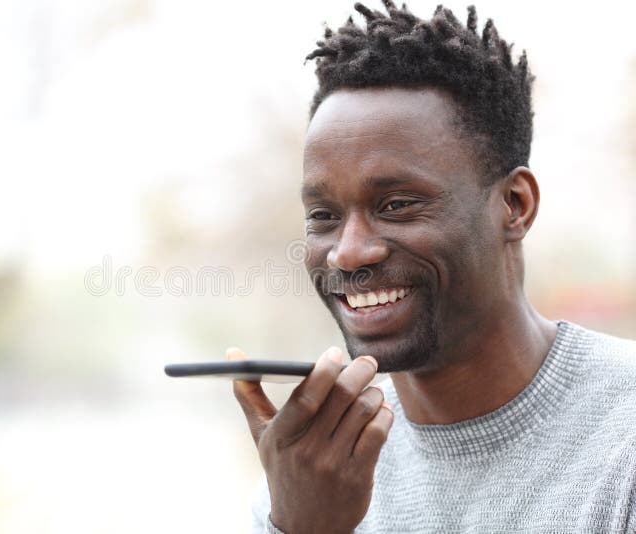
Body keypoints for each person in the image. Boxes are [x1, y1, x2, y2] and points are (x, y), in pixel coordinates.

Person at [227, 2, 636, 533]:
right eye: (323, 215)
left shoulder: (621, 446)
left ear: (514, 204)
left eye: (396, 205)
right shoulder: (316, 468)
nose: (347, 253)